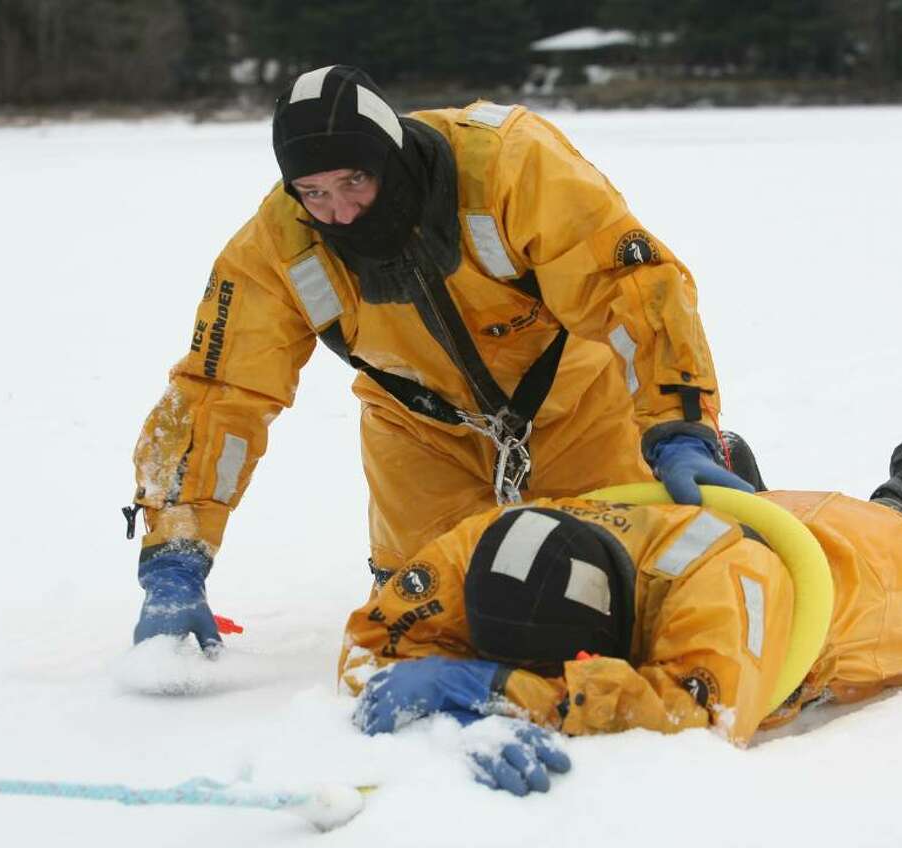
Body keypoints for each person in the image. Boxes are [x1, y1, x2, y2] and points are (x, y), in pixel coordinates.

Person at [126, 65, 751, 651]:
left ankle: (719, 468)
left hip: (573, 402)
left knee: (623, 598)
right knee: (426, 620)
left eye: (354, 182)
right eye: (313, 191)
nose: (339, 211)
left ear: (390, 159)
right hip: (418, 430)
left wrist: (679, 424)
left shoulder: (508, 165)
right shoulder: (279, 247)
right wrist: (176, 552)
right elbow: (219, 391)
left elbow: (635, 290)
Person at [339, 432, 902, 796]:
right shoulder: (487, 543)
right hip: (782, 520)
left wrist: (498, 686)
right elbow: (375, 635)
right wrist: (421, 672)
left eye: (574, 669)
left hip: (853, 589)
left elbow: (701, 711)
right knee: (891, 532)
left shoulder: (714, 597)